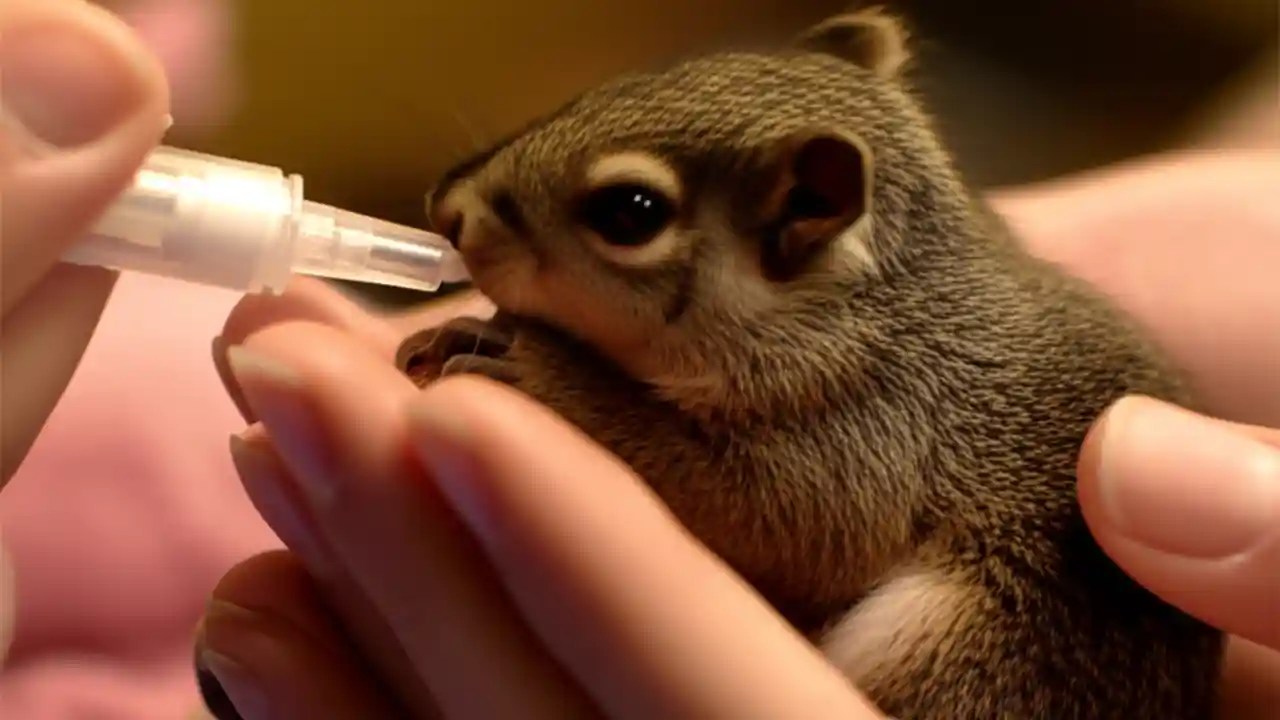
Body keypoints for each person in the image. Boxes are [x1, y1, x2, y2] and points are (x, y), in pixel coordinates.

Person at [1, 1, 1276, 718]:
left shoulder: (855, 381)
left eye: (623, 217)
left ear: (803, 222)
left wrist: (559, 392)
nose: (463, 221)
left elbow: (794, 518)